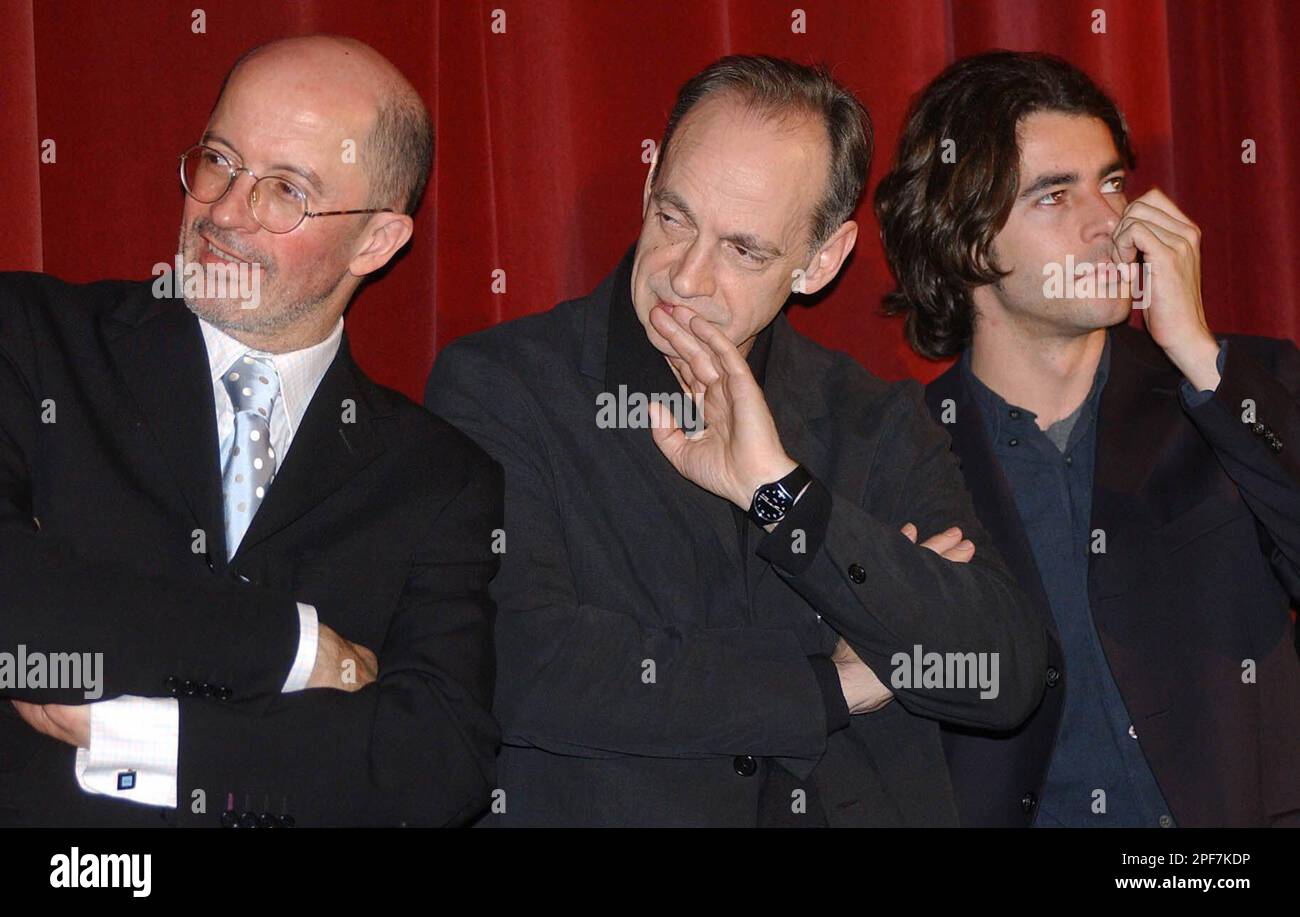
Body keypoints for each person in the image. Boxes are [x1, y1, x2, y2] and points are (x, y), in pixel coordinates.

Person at [426, 54, 1045, 827]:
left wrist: (780, 494)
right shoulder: (503, 386)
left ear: (819, 262)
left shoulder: (871, 416)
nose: (685, 276)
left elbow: (1002, 672)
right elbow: (525, 664)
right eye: (674, 216)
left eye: (743, 249)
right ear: (649, 190)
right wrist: (833, 683)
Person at [0, 35, 501, 827]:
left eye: (286, 192)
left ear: (377, 240)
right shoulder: (31, 338)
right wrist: (298, 650)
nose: (225, 211)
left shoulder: (437, 478)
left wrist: (144, 735)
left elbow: (438, 760)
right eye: (219, 160)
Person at [875, 50, 1300, 827]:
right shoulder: (895, 454)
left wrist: (1200, 357)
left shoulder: (1235, 388)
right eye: (1053, 195)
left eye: (1110, 182)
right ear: (968, 242)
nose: (1111, 221)